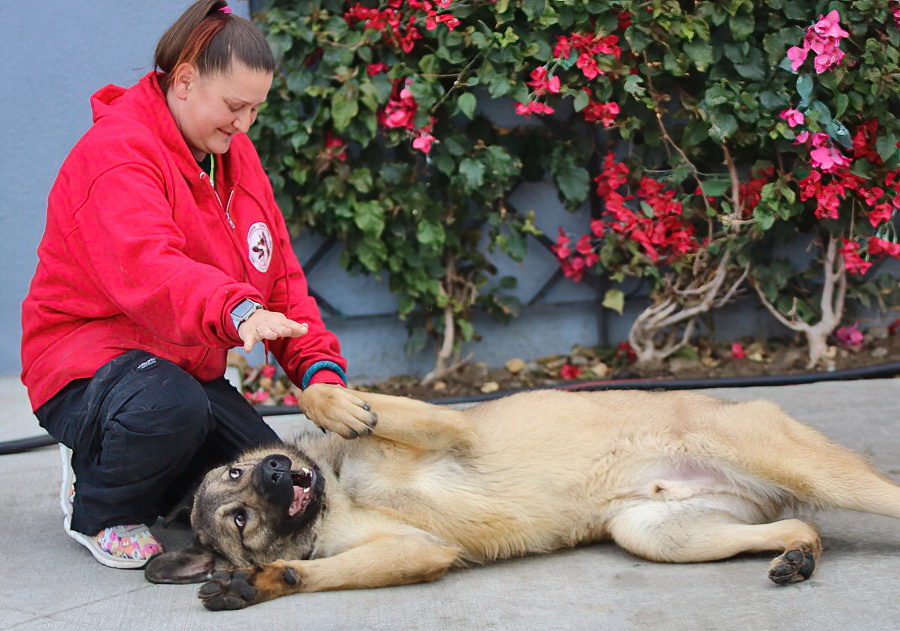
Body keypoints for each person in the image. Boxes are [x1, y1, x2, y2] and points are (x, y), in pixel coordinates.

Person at [20, 0, 348, 570]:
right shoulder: (116, 153)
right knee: (169, 413)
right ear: (186, 80)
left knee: (273, 472)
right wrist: (238, 309)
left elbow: (281, 278)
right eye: (234, 106)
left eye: (254, 109)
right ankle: (97, 504)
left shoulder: (234, 155)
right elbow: (149, 269)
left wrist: (321, 372)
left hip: (182, 370)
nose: (244, 124)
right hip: (88, 365)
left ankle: (154, 479)